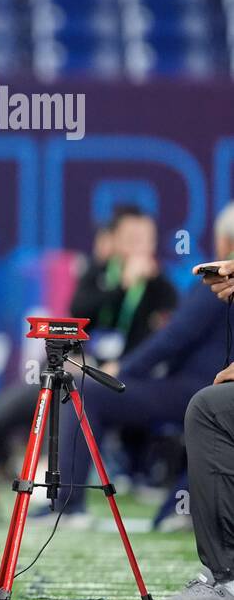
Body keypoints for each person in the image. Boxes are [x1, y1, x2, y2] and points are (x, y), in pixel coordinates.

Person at [52, 206, 234, 515]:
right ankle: (174, 504)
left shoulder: (213, 280)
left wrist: (121, 370)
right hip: (192, 385)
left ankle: (69, 505)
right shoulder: (98, 274)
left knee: (87, 393)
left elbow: (171, 338)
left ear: (223, 243)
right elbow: (77, 316)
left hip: (197, 389)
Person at [0, 206, 177, 473]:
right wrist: (121, 287)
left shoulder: (162, 289)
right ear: (114, 240)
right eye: (132, 238)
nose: (139, 246)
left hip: (123, 381)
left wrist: (117, 366)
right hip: (79, 367)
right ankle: (7, 467)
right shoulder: (98, 274)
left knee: (66, 390)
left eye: (145, 239)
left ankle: (51, 471)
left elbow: (157, 347)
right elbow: (79, 313)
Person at [140, 240, 234, 600]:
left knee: (209, 410)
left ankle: (228, 584)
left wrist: (115, 371)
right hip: (172, 380)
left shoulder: (159, 282)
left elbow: (169, 341)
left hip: (176, 384)